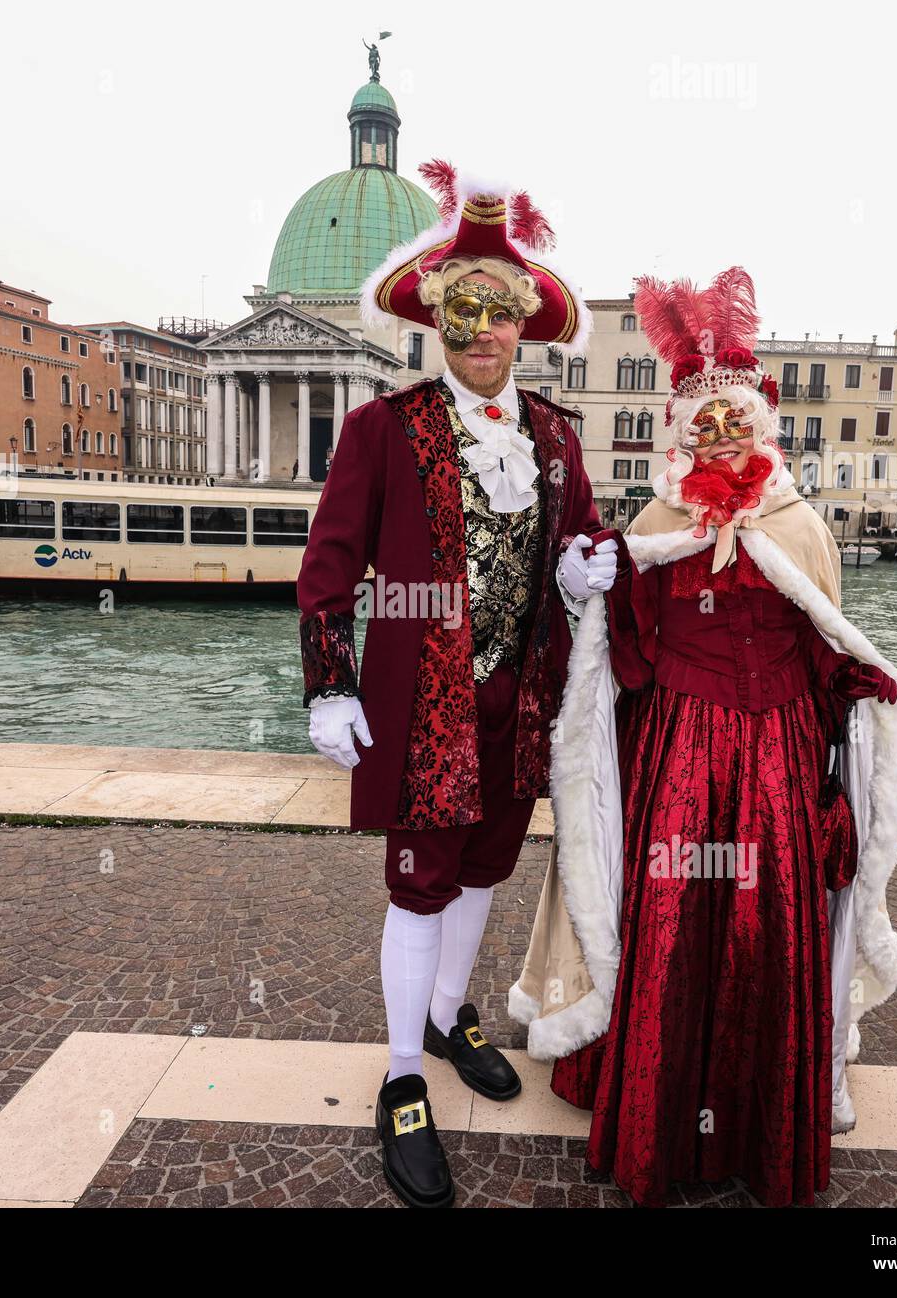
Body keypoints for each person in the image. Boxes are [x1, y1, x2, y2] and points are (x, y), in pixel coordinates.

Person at [510, 266, 897, 1207]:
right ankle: (663, 1108)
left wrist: (840, 747)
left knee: (760, 927)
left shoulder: (802, 527)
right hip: (679, 757)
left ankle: (753, 1115)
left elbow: (825, 643)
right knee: (674, 916)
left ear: (763, 430)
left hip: (773, 754)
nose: (723, 438)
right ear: (681, 435)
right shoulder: (654, 522)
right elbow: (625, 657)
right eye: (706, 425)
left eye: (738, 422)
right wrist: (598, 593)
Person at [298, 163, 614, 1208]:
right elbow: (331, 565)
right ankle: (401, 1069)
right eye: (462, 309)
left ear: (524, 324)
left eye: (498, 312)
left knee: (484, 869)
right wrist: (329, 685)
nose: (481, 330)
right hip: (418, 699)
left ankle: (447, 1010)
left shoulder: (559, 437)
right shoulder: (383, 429)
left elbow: (581, 550)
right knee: (417, 879)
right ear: (435, 318)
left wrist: (586, 569)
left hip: (518, 698)